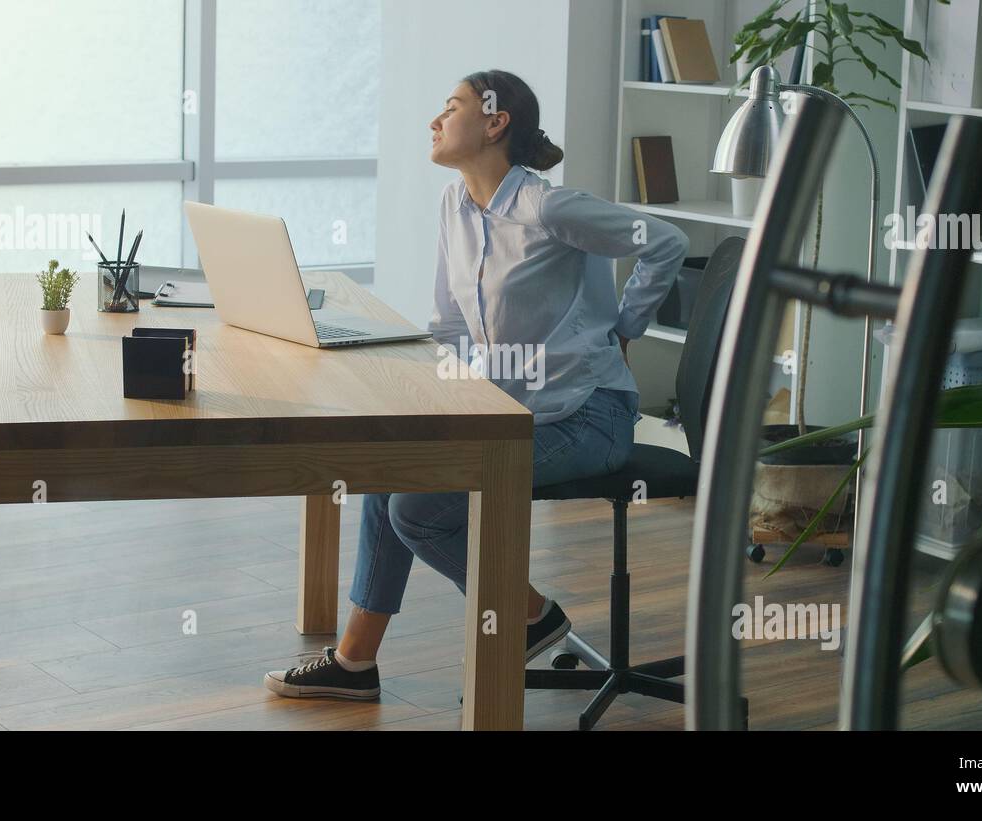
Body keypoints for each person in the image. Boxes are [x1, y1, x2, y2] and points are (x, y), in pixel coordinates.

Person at [265, 69, 688, 699]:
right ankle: (355, 665)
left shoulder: (550, 207)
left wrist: (625, 327)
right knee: (391, 472)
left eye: (451, 107)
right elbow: (451, 323)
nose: (435, 121)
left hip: (589, 416)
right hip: (515, 411)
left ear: (495, 122)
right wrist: (429, 395)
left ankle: (530, 614)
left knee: (421, 506)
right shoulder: (456, 205)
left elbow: (667, 242)